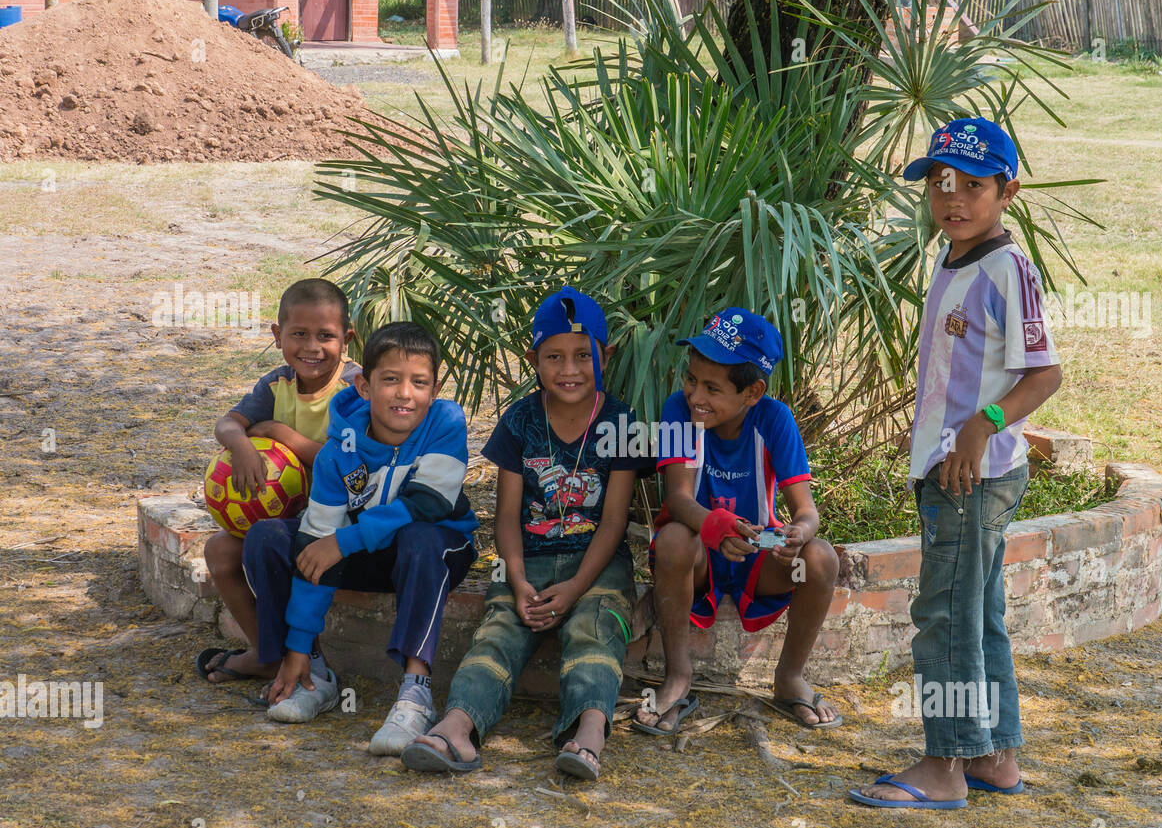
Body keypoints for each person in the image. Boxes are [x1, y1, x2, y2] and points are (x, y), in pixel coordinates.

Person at [851, 116, 1063, 810]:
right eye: (941, 183)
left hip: (973, 474)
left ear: (1010, 192)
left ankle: (943, 765)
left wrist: (983, 426)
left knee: (944, 614)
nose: (954, 198)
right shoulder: (953, 257)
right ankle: (996, 757)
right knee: (979, 613)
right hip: (948, 469)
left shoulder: (1008, 269)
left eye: (974, 185)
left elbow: (1043, 375)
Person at [402, 287, 643, 781]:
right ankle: (457, 728)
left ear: (607, 355)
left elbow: (615, 520)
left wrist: (576, 588)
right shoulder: (520, 420)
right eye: (554, 357)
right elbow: (506, 515)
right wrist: (515, 578)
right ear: (533, 359)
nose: (569, 369)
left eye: (583, 356)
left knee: (594, 630)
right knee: (497, 633)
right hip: (526, 561)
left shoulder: (621, 422)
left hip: (597, 564)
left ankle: (589, 729)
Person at [243, 321, 478, 743]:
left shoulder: (445, 422)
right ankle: (309, 671)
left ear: (435, 388)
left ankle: (415, 694)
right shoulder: (340, 450)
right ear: (365, 387)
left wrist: (344, 542)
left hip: (432, 552)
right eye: (390, 380)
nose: (405, 393)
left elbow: (430, 503)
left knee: (421, 536)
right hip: (363, 555)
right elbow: (318, 538)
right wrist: (298, 642)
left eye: (419, 382)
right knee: (269, 538)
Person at [634, 309, 842, 736]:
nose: (696, 396)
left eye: (712, 388)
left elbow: (807, 510)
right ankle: (678, 675)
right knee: (672, 540)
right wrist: (716, 527)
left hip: (756, 554)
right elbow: (677, 498)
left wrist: (798, 533)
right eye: (692, 380)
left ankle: (789, 679)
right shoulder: (679, 412)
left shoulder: (774, 419)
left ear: (752, 392)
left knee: (819, 559)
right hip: (699, 558)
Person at [196, 278, 360, 690]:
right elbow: (228, 423)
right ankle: (267, 654)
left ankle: (295, 657)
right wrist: (243, 445)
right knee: (218, 551)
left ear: (347, 338)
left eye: (326, 336)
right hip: (286, 519)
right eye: (299, 335)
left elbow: (341, 463)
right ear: (277, 336)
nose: (312, 347)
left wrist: (279, 433)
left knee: (269, 543)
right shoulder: (275, 385)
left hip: (342, 521)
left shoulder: (356, 388)